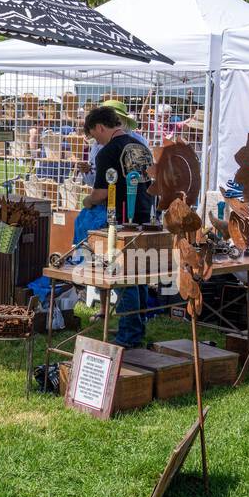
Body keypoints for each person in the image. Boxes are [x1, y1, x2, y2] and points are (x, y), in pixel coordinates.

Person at [82, 104, 156, 348]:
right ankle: (136, 328)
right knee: (140, 275)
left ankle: (129, 335)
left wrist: (88, 200)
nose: (97, 142)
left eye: (95, 135)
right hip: (146, 215)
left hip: (122, 220)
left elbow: (101, 192)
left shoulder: (108, 152)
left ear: (100, 127)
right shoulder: (140, 146)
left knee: (125, 278)